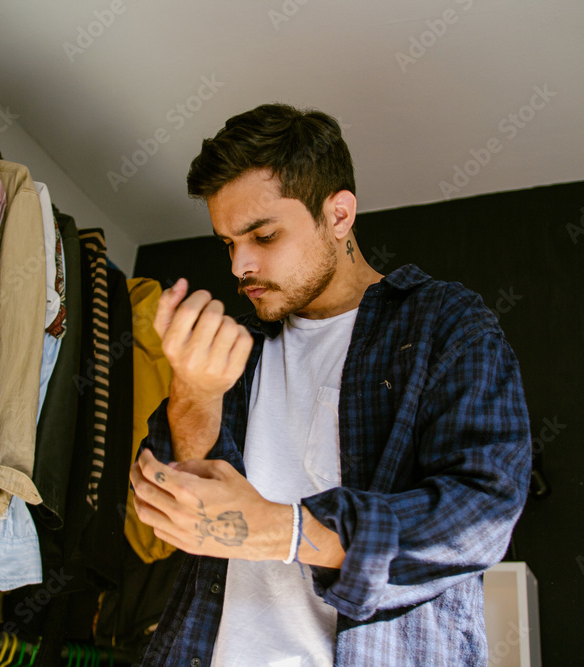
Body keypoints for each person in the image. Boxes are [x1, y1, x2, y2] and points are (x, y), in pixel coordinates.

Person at [129, 103, 531, 666]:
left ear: (338, 215)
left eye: (263, 235)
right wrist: (194, 392)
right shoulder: (235, 346)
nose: (240, 265)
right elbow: (172, 506)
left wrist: (283, 530)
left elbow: (482, 513)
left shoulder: (445, 323)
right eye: (227, 243)